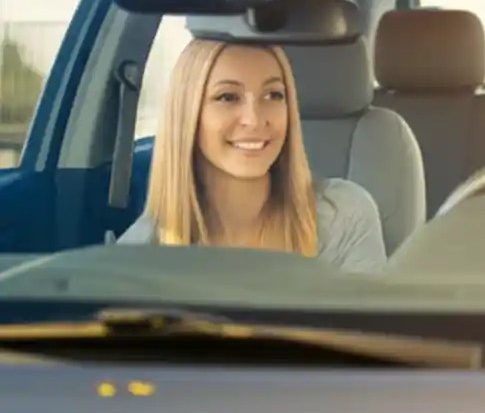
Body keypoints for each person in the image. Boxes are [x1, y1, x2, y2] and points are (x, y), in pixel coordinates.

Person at [118, 38, 387, 274]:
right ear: (188, 115)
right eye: (227, 97)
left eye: (273, 95)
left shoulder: (342, 215)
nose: (254, 119)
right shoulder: (140, 254)